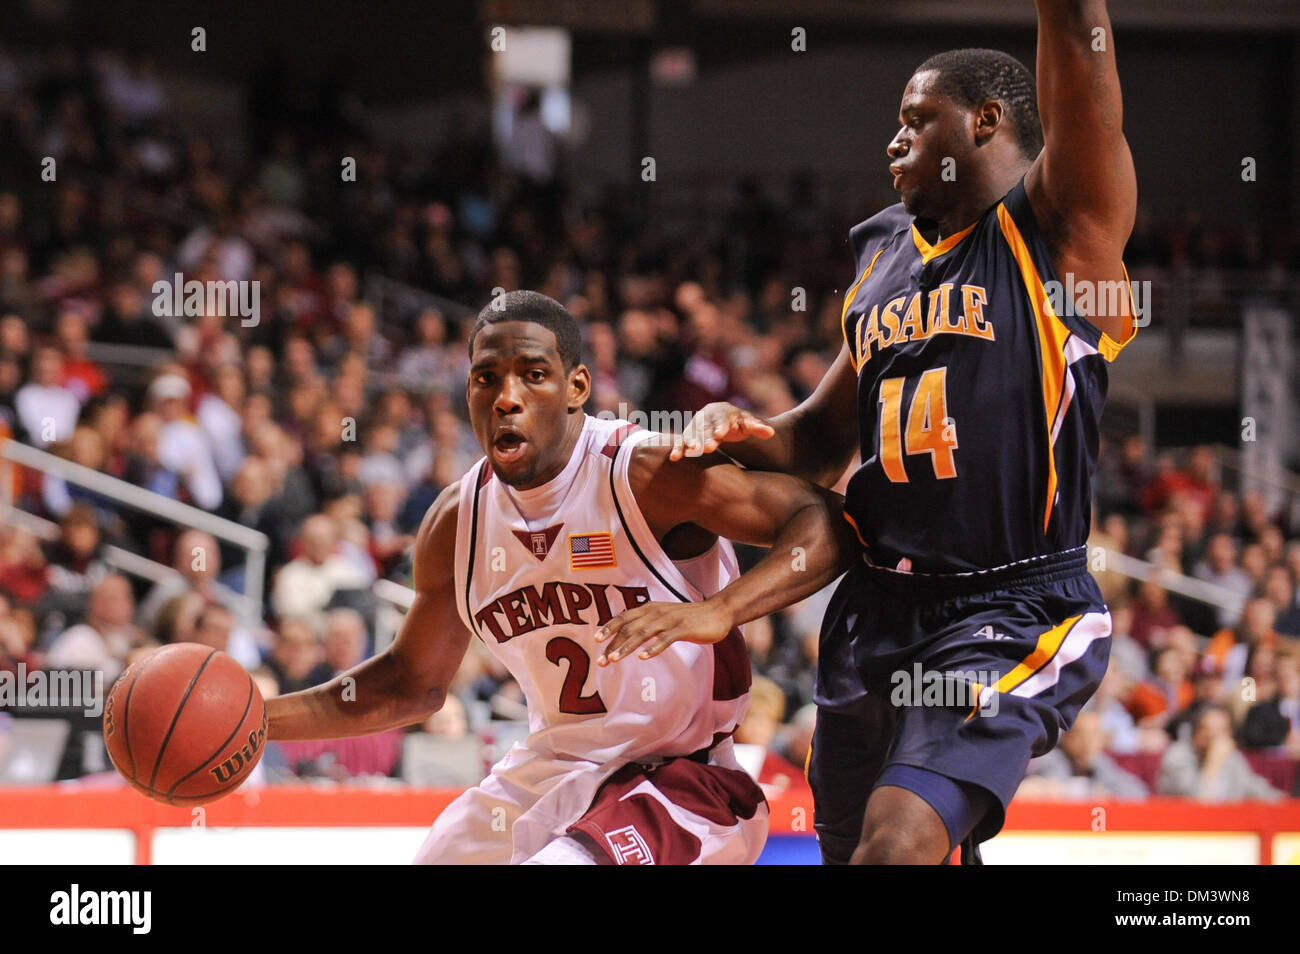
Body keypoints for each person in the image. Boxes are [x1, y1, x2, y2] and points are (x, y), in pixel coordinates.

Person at [663, 2, 1138, 863]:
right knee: (866, 853)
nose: (892, 142)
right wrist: (736, 429)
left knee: (901, 841)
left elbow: (1082, 65)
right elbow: (816, 443)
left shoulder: (1060, 230)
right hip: (876, 606)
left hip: (1007, 603)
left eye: (915, 120)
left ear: (985, 120)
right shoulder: (883, 256)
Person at [265, 291, 856, 865]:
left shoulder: (644, 474)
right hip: (551, 772)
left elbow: (827, 522)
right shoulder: (455, 521)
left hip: (683, 782)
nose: (506, 397)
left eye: (532, 374)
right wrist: (256, 725)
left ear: (577, 388)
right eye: (486, 378)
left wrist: (722, 608)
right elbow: (407, 684)